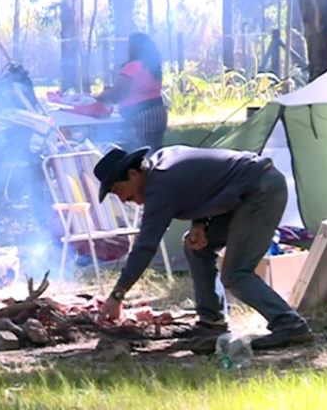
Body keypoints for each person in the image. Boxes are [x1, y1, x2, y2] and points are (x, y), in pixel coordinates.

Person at [95, 144, 313, 350]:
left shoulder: (159, 185)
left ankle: (289, 323)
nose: (123, 200)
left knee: (236, 273)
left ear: (133, 174)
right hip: (248, 190)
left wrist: (118, 295)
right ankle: (212, 322)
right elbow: (206, 184)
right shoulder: (162, 164)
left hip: (261, 189)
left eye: (118, 190)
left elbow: (145, 246)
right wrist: (199, 223)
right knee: (195, 246)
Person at [95, 33, 167, 153]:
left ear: (134, 48)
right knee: (156, 151)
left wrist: (99, 97)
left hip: (141, 116)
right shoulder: (153, 67)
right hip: (158, 112)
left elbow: (117, 94)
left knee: (142, 153)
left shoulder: (132, 67)